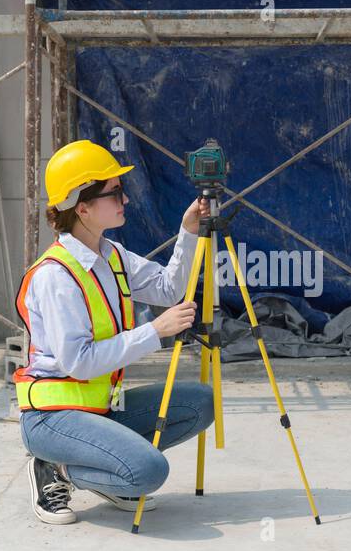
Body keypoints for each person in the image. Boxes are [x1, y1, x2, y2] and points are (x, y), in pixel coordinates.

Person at [17, 139, 215, 525]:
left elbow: (167, 289)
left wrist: (188, 231)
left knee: (201, 402)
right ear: (83, 207)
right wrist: (154, 332)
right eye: (114, 193)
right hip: (52, 417)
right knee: (148, 472)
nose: (124, 199)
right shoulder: (56, 277)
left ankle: (109, 470)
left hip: (102, 408)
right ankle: (55, 471)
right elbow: (79, 362)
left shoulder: (112, 255)